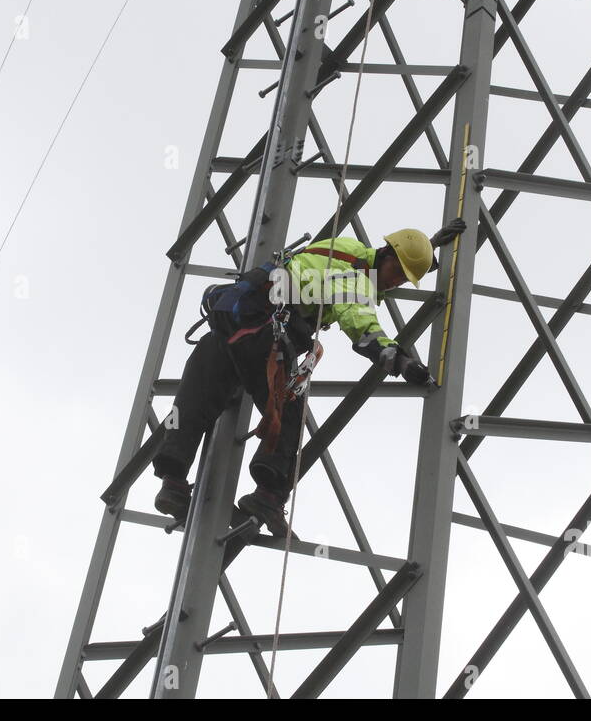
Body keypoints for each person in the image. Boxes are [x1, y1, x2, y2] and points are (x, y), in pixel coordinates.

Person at [151, 220, 464, 536]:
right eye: (396, 273)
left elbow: (376, 262)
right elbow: (361, 324)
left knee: (191, 404)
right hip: (264, 338)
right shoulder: (357, 279)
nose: (394, 283)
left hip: (227, 328)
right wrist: (400, 362)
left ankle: (172, 483)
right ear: (384, 255)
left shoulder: (345, 248)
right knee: (288, 414)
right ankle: (267, 497)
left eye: (402, 279)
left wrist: (429, 249)